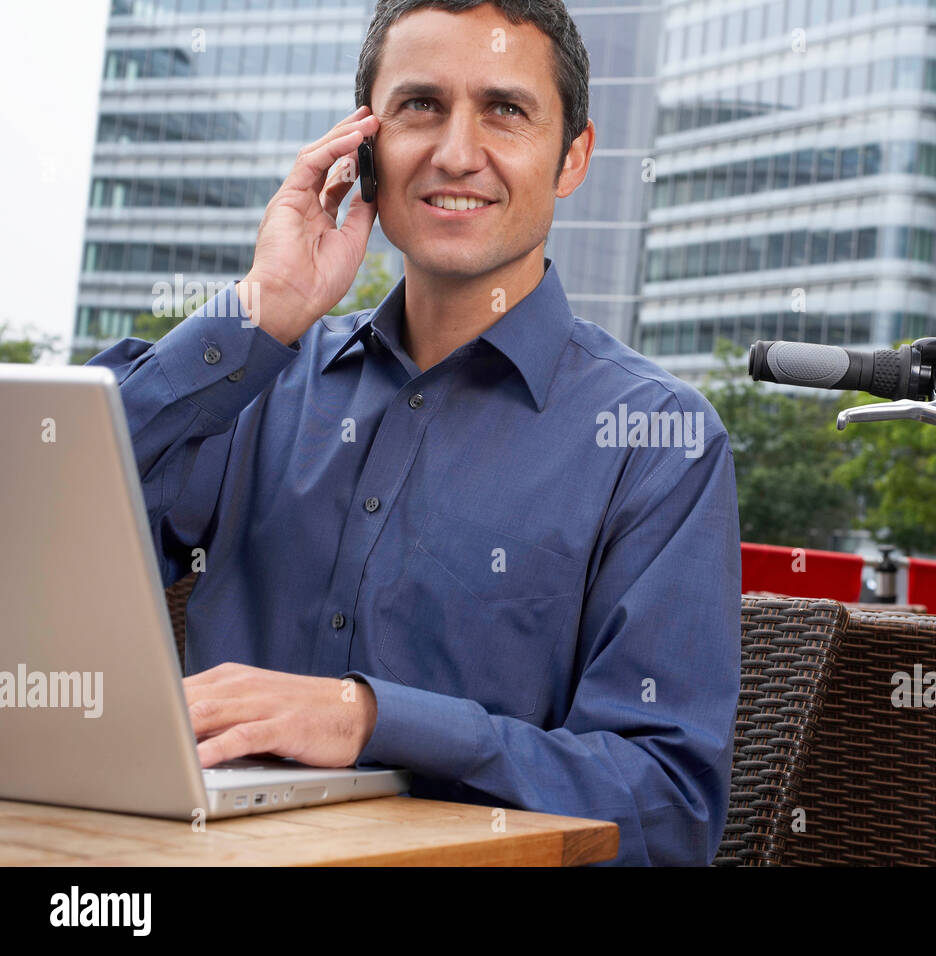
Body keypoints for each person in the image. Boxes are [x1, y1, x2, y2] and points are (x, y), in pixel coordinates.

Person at [86, 0, 741, 866]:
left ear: (572, 156)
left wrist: (370, 720)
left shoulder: (658, 441)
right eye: (420, 106)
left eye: (506, 110)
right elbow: (51, 536)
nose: (456, 153)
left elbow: (667, 807)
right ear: (366, 148)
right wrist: (259, 314)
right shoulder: (255, 378)